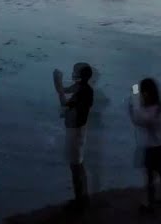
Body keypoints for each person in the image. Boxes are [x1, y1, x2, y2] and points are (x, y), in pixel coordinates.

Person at [53, 62, 95, 213]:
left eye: (74, 71)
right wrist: (59, 87)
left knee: (75, 167)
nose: (72, 73)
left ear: (80, 76)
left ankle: (80, 201)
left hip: (75, 132)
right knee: (79, 165)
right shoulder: (86, 89)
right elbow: (66, 90)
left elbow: (64, 106)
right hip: (80, 130)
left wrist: (58, 85)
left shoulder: (81, 92)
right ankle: (83, 197)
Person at [128, 78, 161, 213]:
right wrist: (135, 95)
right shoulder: (159, 106)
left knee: (149, 178)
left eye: (142, 91)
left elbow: (138, 120)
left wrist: (133, 102)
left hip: (153, 149)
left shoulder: (148, 110)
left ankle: (150, 205)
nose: (141, 94)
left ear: (146, 93)